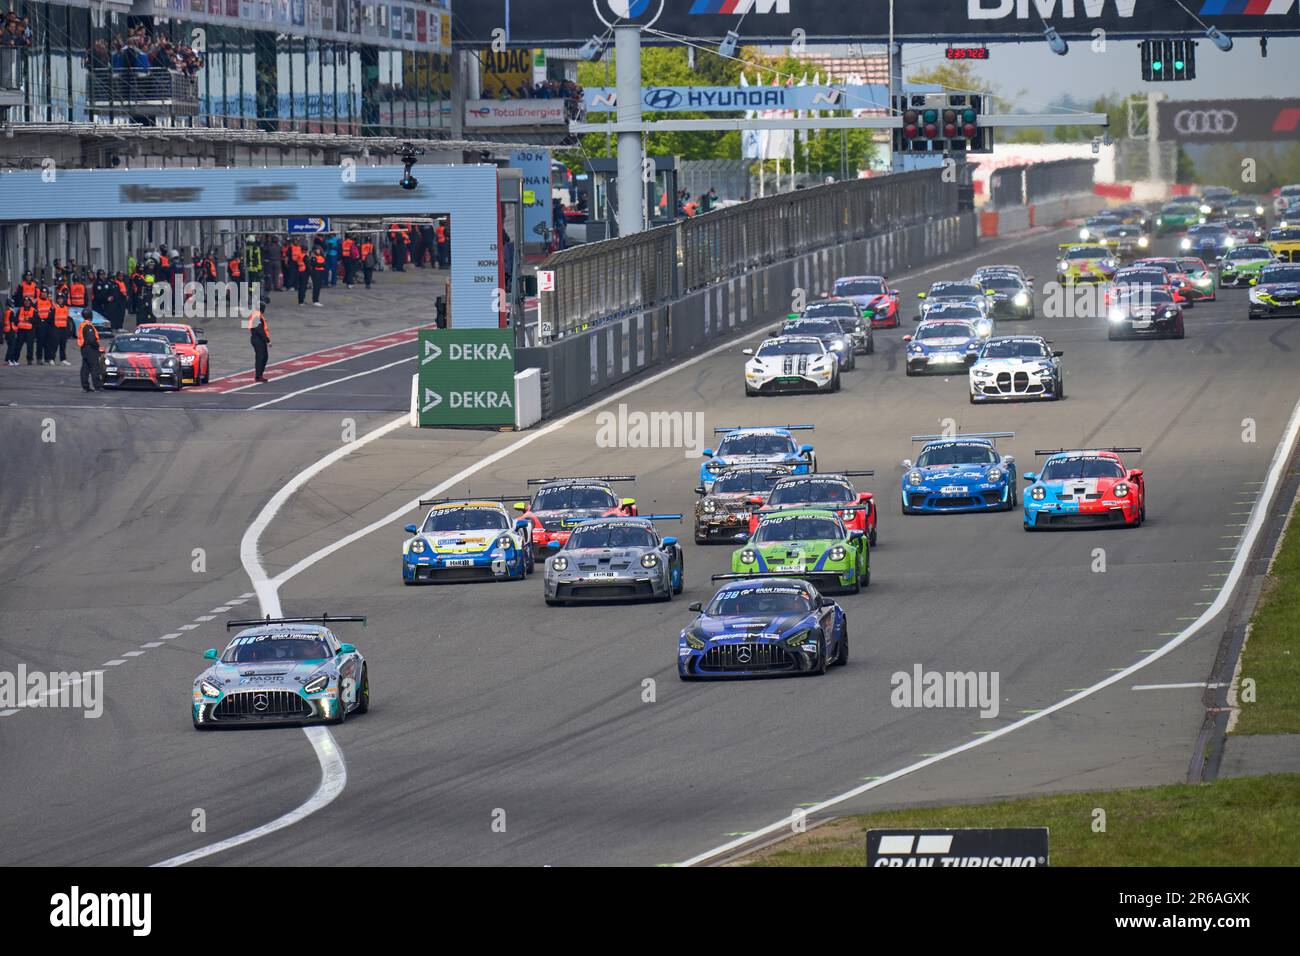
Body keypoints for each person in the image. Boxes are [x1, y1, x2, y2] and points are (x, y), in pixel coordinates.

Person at [77, 308, 103, 391]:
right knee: (95, 367)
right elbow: (92, 339)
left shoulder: (82, 325)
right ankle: (97, 386)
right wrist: (97, 347)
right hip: (91, 349)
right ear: (90, 316)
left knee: (85, 367)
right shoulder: (88, 327)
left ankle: (85, 386)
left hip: (84, 348)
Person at [248, 298, 270, 382]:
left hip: (258, 339)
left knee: (263, 357)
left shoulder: (257, 315)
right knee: (261, 357)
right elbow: (259, 329)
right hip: (258, 339)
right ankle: (258, 375)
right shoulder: (257, 316)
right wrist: (267, 339)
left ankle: (259, 374)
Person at [51, 292, 73, 365]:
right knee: (54, 345)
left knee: (63, 345)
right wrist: (53, 328)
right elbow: (51, 319)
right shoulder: (54, 308)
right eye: (59, 299)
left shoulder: (66, 308)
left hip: (64, 329)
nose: (60, 300)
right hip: (56, 328)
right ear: (57, 300)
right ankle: (52, 359)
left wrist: (68, 330)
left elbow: (67, 319)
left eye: (61, 299)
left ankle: (63, 359)